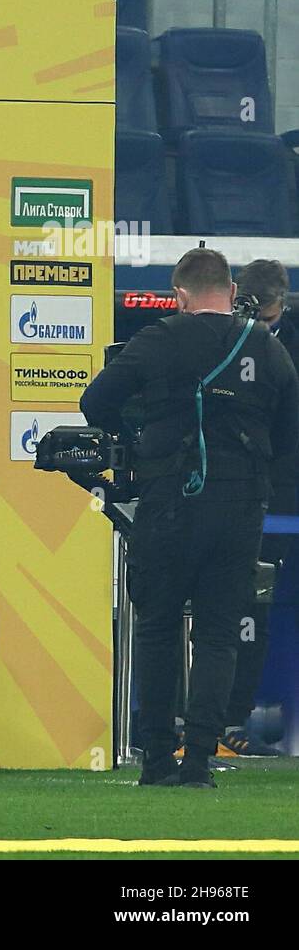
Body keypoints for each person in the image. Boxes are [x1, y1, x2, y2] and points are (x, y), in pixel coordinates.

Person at [80, 247, 299, 788]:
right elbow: (289, 430)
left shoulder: (158, 338)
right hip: (241, 506)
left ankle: (157, 759)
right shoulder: (266, 347)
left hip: (169, 501)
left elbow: (96, 401)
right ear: (232, 291)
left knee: (157, 627)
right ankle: (200, 760)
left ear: (179, 294)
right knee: (219, 634)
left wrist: (137, 442)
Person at [221, 259, 299, 757]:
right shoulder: (217, 339)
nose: (263, 327)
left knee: (260, 605)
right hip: (232, 494)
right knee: (236, 605)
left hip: (283, 497)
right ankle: (224, 721)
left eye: (270, 319)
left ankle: (250, 718)